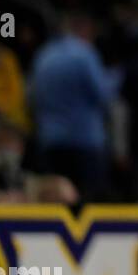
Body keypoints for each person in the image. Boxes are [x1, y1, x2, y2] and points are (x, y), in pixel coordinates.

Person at [28, 11, 117, 200]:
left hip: (50, 140)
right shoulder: (84, 54)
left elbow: (32, 97)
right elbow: (102, 95)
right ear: (83, 29)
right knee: (89, 201)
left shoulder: (43, 55)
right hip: (84, 141)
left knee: (54, 200)